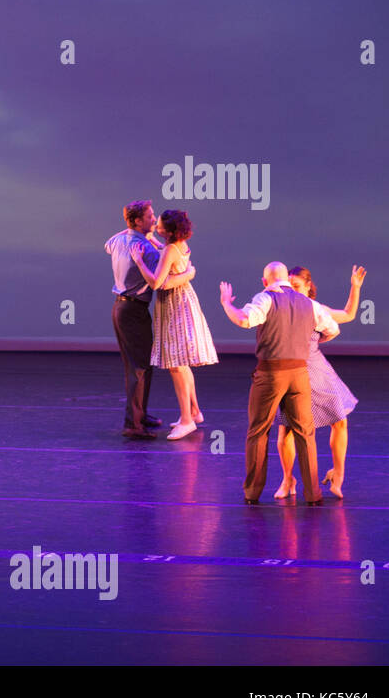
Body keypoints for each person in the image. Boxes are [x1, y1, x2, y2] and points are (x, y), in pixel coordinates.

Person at [219, 262, 341, 505]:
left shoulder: (266, 298)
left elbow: (244, 320)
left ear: (265, 281)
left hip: (271, 374)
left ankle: (252, 493)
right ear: (287, 279)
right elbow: (333, 329)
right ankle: (313, 494)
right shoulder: (310, 304)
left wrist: (226, 303)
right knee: (305, 434)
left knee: (258, 431)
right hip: (299, 373)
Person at [272, 265, 367, 499]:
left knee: (340, 420)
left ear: (307, 287)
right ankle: (288, 479)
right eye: (288, 287)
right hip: (291, 370)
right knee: (287, 429)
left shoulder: (316, 309)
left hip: (317, 369)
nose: (291, 292)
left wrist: (355, 287)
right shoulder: (281, 307)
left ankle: (338, 474)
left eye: (296, 287)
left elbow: (348, 314)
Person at [104, 200, 196, 439]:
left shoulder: (118, 240)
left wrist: (128, 231)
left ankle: (140, 415)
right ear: (137, 220)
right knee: (139, 368)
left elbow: (108, 245)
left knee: (143, 364)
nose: (154, 221)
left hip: (122, 308)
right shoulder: (146, 250)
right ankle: (133, 425)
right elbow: (162, 278)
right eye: (150, 217)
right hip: (133, 310)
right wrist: (189, 273)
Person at [129, 209, 218, 440]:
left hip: (175, 304)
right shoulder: (179, 244)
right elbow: (166, 254)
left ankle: (187, 420)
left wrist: (139, 261)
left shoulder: (170, 248)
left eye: (158, 224)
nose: (155, 225)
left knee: (176, 364)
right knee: (181, 362)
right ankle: (194, 411)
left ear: (169, 231)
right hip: (182, 298)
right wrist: (154, 242)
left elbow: (157, 282)